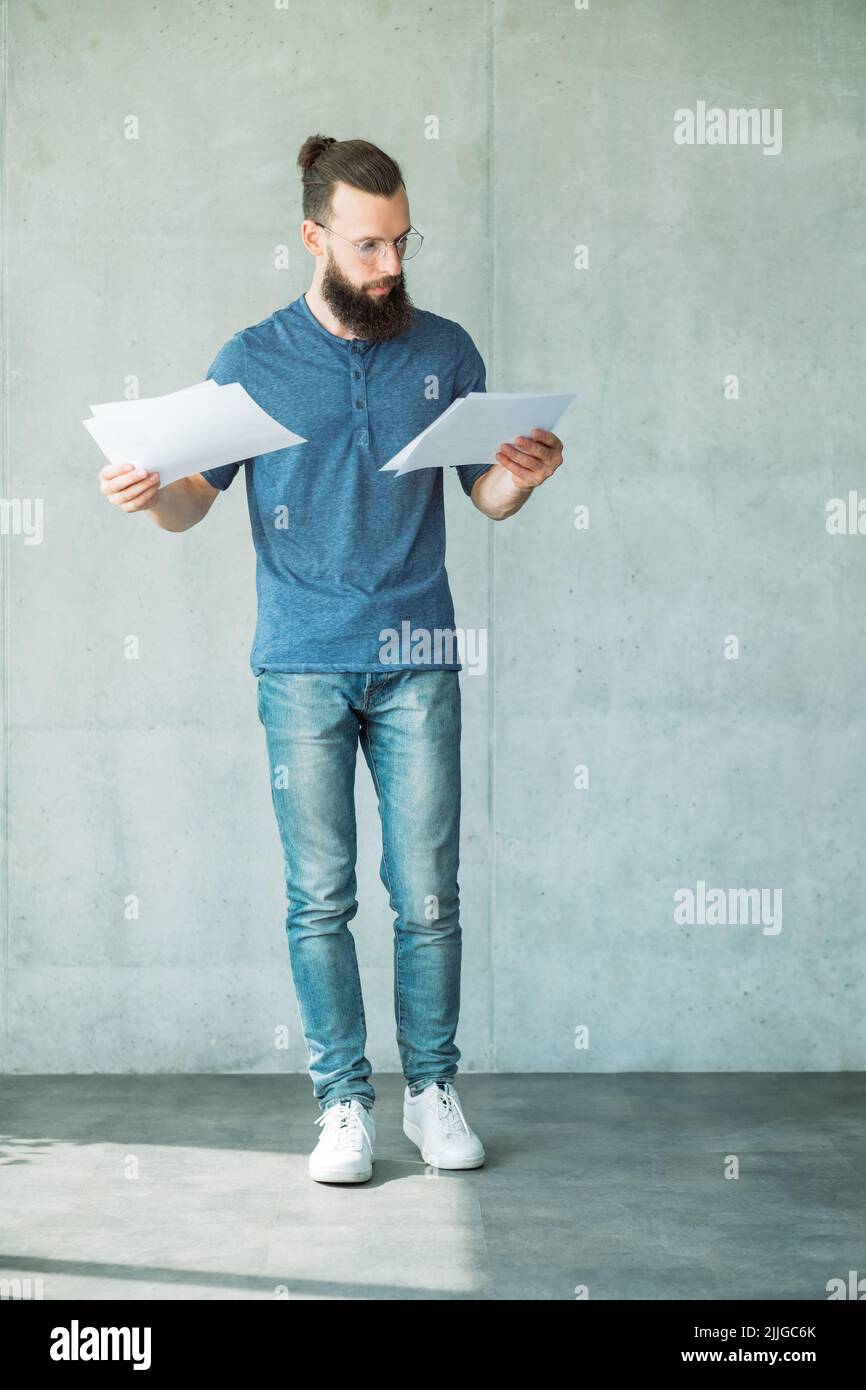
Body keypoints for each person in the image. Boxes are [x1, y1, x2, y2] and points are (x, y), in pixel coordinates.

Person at [98, 134, 564, 1184]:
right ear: (313, 238)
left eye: (400, 242)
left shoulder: (444, 349)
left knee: (428, 892)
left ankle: (431, 1091)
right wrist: (144, 494)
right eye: (366, 246)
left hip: (418, 655)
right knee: (320, 896)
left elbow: (482, 498)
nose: (390, 266)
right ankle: (344, 1103)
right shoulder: (253, 358)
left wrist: (521, 477)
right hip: (301, 661)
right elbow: (186, 506)